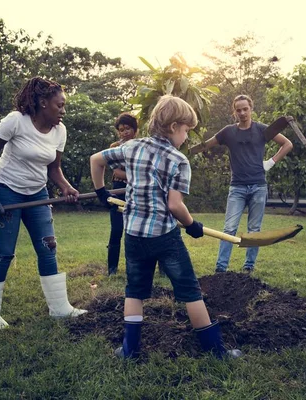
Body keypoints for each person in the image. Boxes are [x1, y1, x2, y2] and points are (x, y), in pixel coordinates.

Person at [90, 95, 241, 359]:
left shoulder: (132, 147)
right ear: (173, 127)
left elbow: (96, 160)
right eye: (186, 131)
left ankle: (129, 350)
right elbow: (174, 205)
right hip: (165, 237)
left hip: (134, 235)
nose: (185, 137)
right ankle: (215, 351)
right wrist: (192, 225)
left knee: (134, 290)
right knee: (190, 290)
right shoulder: (179, 161)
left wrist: (101, 192)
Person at [0, 77, 87, 329]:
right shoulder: (15, 121)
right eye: (59, 105)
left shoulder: (60, 131)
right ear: (42, 102)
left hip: (37, 193)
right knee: (4, 253)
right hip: (5, 190)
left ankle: (60, 308)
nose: (63, 110)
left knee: (48, 248)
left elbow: (54, 167)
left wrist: (65, 186)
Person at [197, 94, 293, 273]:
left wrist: (270, 162)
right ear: (234, 112)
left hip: (258, 186)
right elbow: (206, 145)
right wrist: (187, 149)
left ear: (251, 109)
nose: (242, 113)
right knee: (229, 228)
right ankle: (221, 268)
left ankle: (248, 267)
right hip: (237, 188)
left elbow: (287, 144)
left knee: (254, 229)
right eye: (238, 110)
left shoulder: (262, 130)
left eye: (245, 109)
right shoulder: (228, 132)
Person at [106, 113, 138, 275]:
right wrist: (136, 177)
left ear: (135, 130)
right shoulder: (114, 147)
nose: (125, 132)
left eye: (128, 129)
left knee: (134, 231)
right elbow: (117, 172)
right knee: (116, 229)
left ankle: (135, 267)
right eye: (121, 130)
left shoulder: (141, 146)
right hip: (118, 191)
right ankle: (112, 269)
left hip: (136, 192)